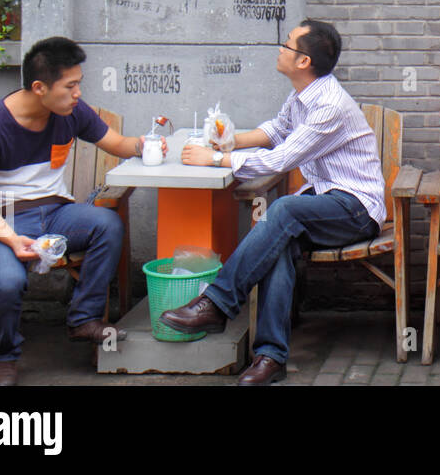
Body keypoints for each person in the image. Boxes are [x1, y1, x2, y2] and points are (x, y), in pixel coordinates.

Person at [160, 19, 385, 385]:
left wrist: (215, 161)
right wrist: (227, 142)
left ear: (303, 61)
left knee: (282, 210)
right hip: (322, 203)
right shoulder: (301, 94)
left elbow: (281, 159)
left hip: (356, 209)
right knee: (278, 244)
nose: (280, 48)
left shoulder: (329, 105)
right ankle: (270, 357)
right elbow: (276, 131)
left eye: (288, 44)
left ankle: (216, 304)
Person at [0, 37, 159, 386]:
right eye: (71, 85)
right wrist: (9, 237)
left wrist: (146, 144)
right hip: (4, 219)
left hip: (56, 213)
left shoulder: (71, 113)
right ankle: (3, 358)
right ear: (40, 87)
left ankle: (83, 319)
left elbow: (118, 144)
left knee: (107, 225)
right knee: (7, 283)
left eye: (78, 83)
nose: (78, 93)